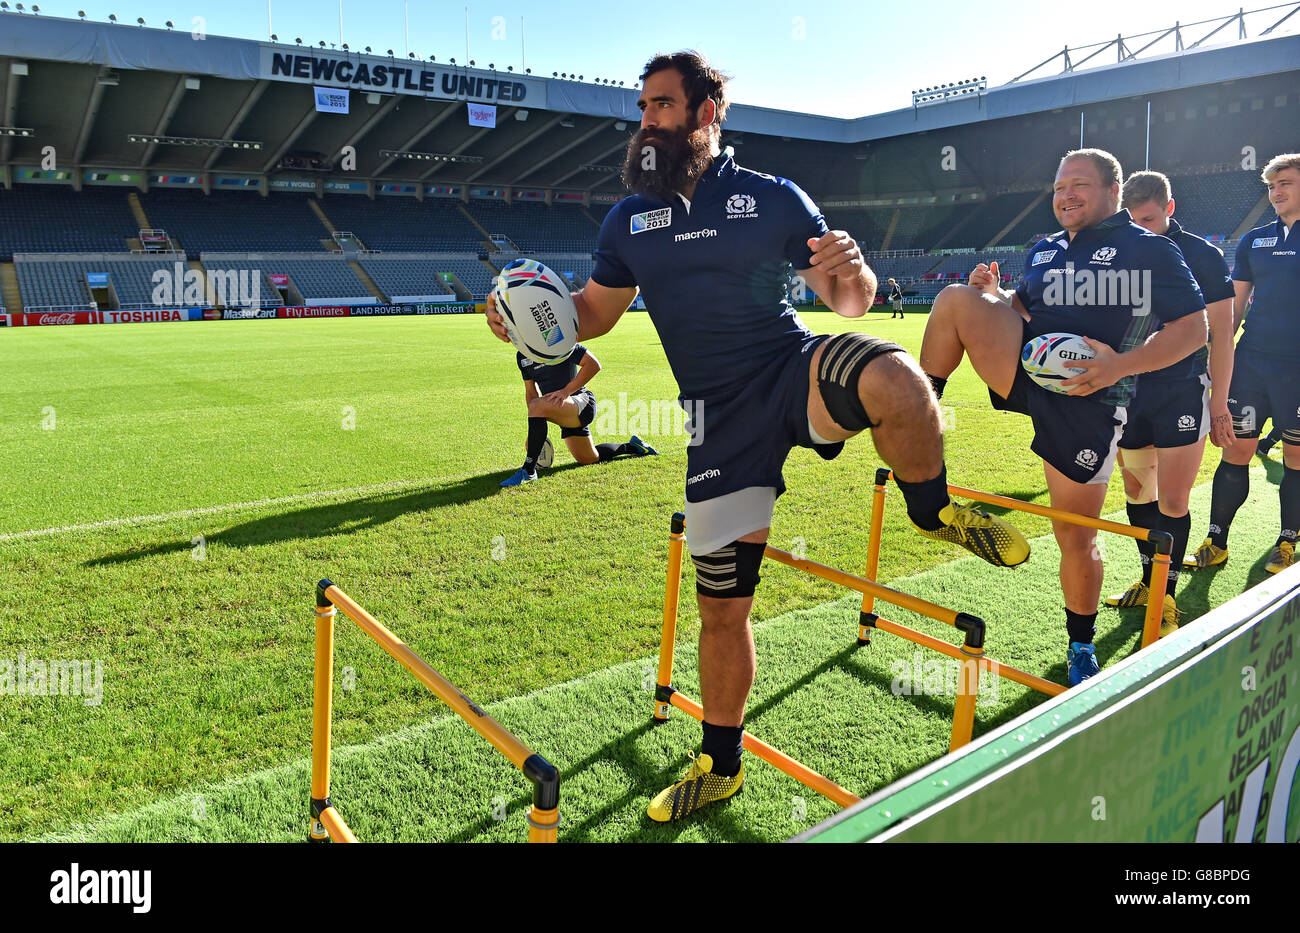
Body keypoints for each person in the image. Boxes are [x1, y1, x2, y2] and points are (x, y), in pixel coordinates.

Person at [485, 50, 1029, 821]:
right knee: (722, 609)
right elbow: (593, 314)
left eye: (662, 107)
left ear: (706, 115)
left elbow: (846, 298)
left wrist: (856, 271)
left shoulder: (769, 197)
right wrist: (525, 310)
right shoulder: (626, 219)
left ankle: (934, 510)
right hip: (717, 417)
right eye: (642, 109)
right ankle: (722, 761)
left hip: (790, 365)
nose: (646, 122)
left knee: (900, 380)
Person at [918, 149, 1208, 685]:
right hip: (1032, 369)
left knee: (1074, 536)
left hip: (1091, 399)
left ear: (1113, 191)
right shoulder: (1044, 249)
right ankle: (917, 416)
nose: (1065, 196)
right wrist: (996, 294)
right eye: (1058, 187)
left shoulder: (1151, 251)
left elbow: (1193, 330)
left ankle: (1080, 644)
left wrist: (1120, 366)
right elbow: (1025, 310)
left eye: (1079, 185)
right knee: (957, 300)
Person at [1101, 171, 1235, 634]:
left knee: (1174, 501)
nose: (1141, 228)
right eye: (1132, 220)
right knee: (1139, 493)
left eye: (1150, 219)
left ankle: (1167, 596)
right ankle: (1146, 580)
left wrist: (1220, 404)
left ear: (1170, 208)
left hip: (1180, 390)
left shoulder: (1202, 255)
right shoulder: (1122, 250)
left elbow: (1222, 336)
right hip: (1129, 391)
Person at [1185, 153, 1300, 574]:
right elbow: (1233, 307)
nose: (1276, 192)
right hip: (1251, 366)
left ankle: (1288, 541)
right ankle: (1217, 541)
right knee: (1235, 451)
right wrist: (1218, 353)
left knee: (1296, 458)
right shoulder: (1255, 240)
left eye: (1285, 182)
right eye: (1271, 186)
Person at [500, 342, 657, 487]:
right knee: (589, 458)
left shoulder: (559, 342)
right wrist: (534, 430)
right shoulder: (522, 355)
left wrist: (565, 392)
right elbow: (531, 392)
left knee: (536, 405)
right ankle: (633, 446)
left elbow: (593, 364)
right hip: (560, 409)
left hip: (581, 403)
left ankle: (528, 471)